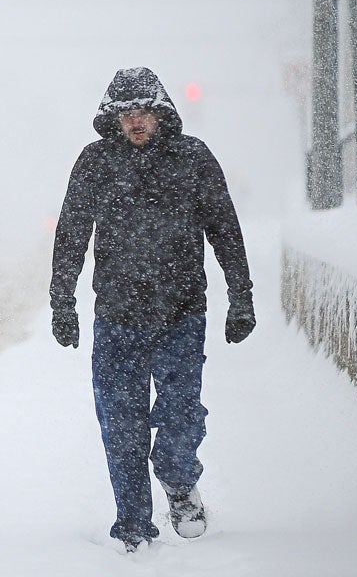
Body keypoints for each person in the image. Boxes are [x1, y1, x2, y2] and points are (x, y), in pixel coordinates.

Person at [49, 66, 254, 552]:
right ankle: (134, 523)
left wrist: (241, 296)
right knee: (121, 424)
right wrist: (63, 301)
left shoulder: (193, 159)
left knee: (182, 413)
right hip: (118, 316)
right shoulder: (95, 163)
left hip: (181, 312)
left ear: (160, 113)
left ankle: (179, 482)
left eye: (143, 111)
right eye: (126, 114)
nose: (135, 121)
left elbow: (224, 227)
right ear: (112, 119)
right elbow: (71, 235)